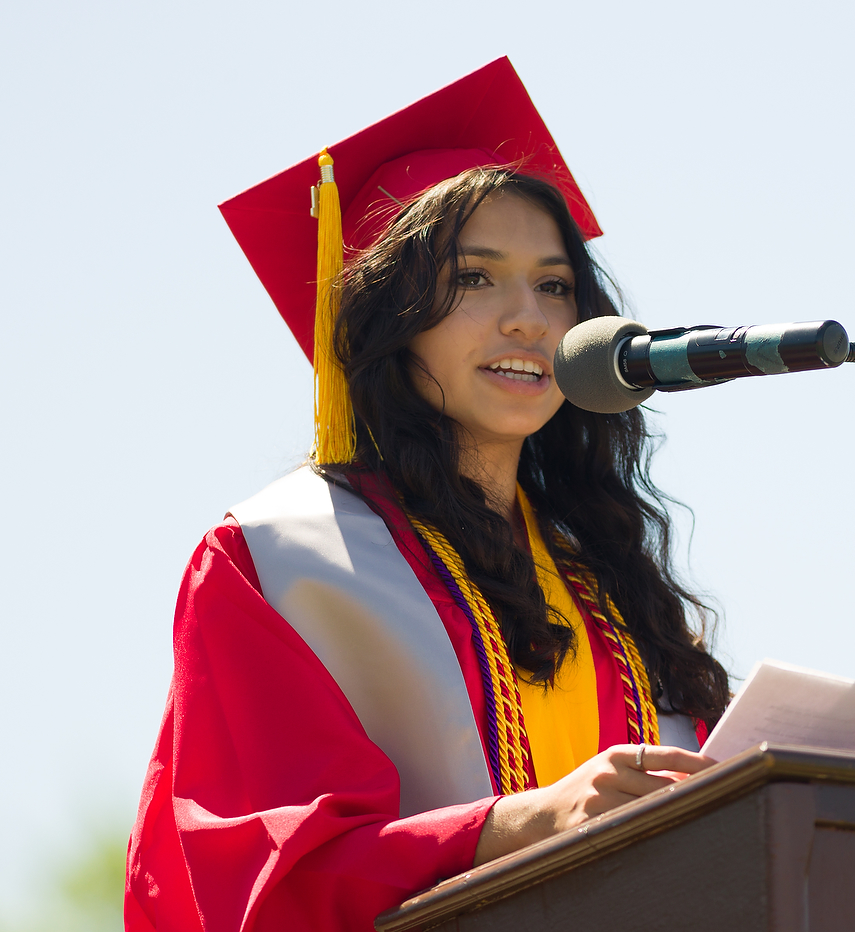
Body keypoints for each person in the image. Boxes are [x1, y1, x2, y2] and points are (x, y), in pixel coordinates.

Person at [125, 58, 730, 932]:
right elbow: (259, 880)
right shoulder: (281, 560)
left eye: (555, 285)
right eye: (474, 278)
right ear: (387, 315)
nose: (528, 317)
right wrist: (529, 823)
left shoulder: (609, 586)